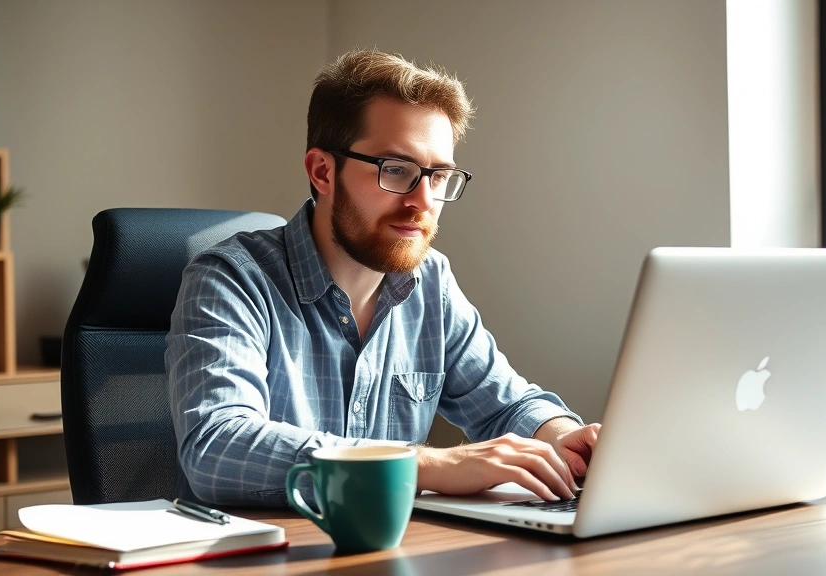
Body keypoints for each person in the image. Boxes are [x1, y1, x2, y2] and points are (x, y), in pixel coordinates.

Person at [166, 49, 600, 507]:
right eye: (397, 170)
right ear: (322, 172)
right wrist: (424, 465)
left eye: (439, 176)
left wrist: (564, 438)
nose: (423, 200)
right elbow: (216, 447)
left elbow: (507, 405)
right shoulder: (231, 280)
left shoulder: (431, 282)